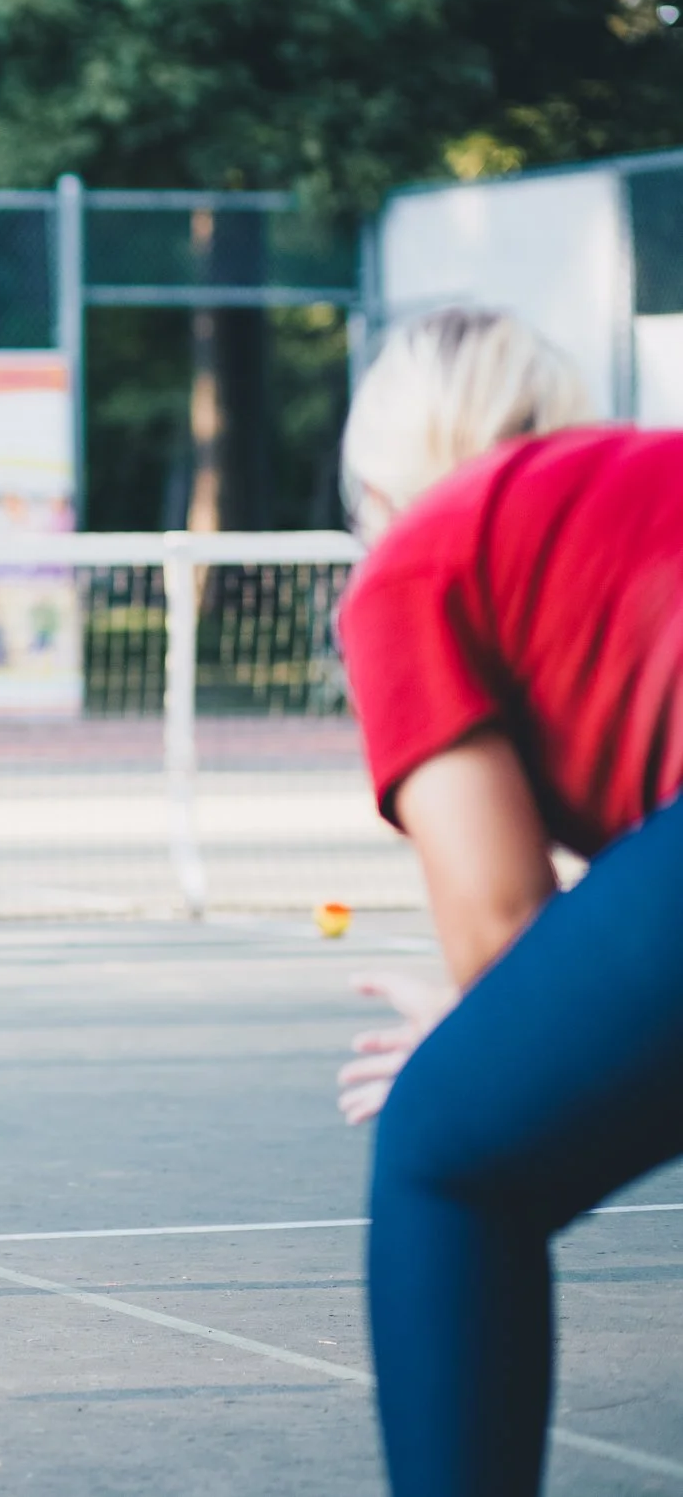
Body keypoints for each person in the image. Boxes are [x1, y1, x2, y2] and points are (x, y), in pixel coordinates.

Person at [324, 308, 683, 1496]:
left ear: (376, 482)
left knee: (444, 1150)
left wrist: (476, 1034)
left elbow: (502, 926)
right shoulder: (630, 486)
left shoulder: (417, 555)